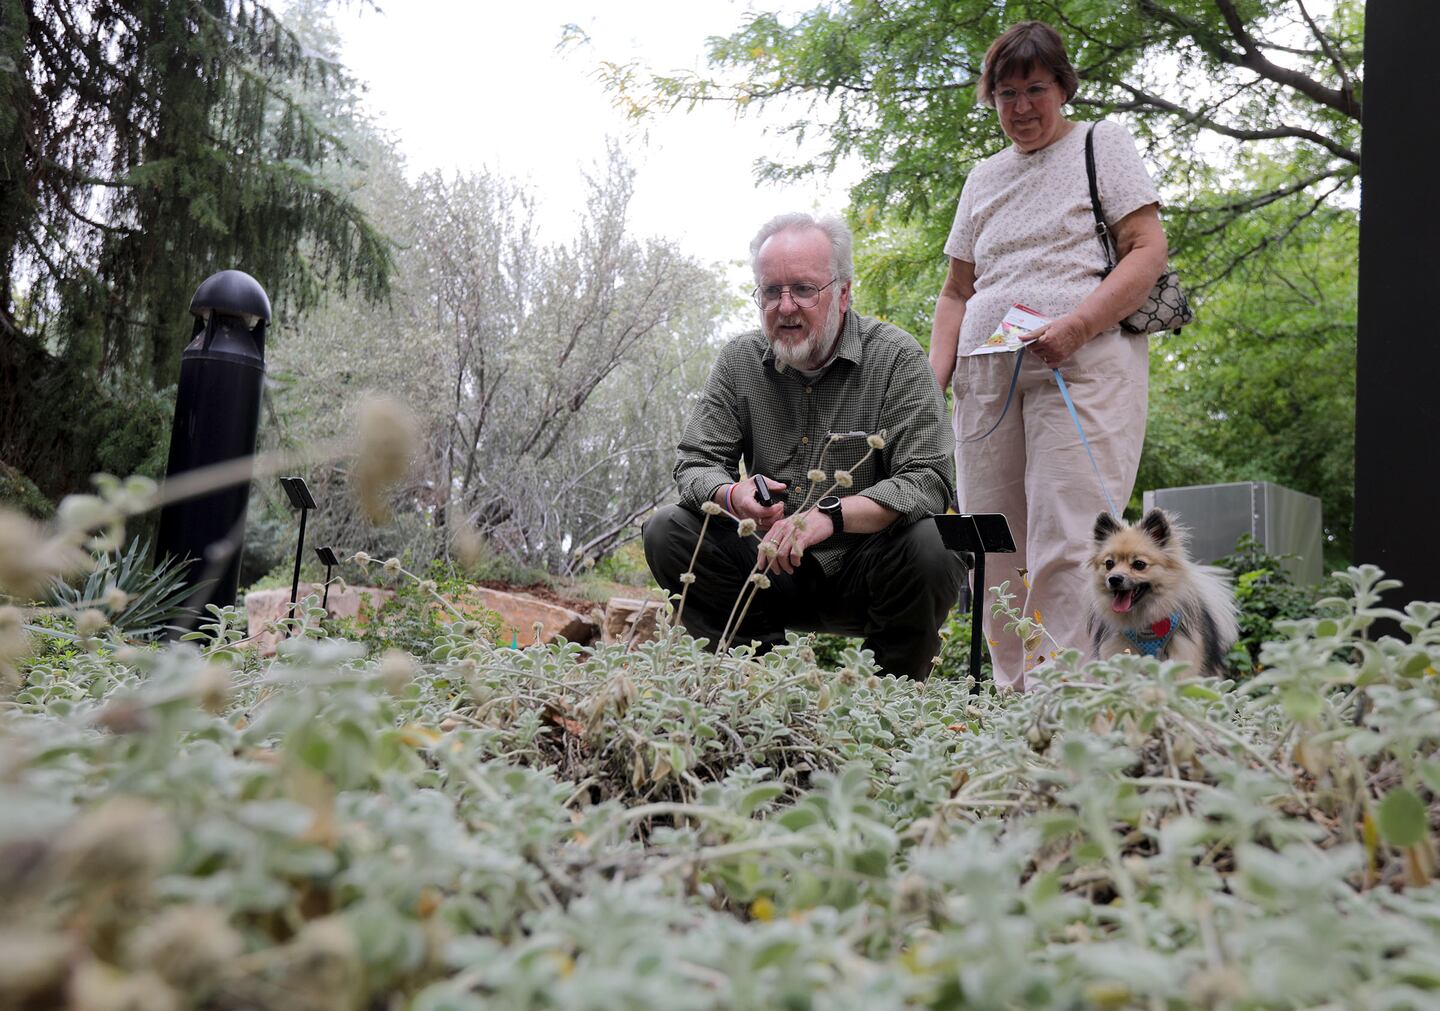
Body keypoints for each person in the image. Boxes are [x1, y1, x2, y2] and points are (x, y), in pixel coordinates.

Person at [929, 21, 1170, 691]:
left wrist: (1079, 323)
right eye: (1006, 93)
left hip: (1079, 362)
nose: (1022, 107)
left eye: (1035, 88)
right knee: (992, 543)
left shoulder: (1103, 144)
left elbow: (1147, 249)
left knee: (1068, 537)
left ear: (1062, 85)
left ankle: (1064, 703)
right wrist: (935, 377)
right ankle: (1011, 697)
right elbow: (955, 291)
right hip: (983, 381)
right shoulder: (982, 178)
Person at [643, 212, 963, 679]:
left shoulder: (897, 358)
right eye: (772, 291)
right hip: (767, 569)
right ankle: (756, 685)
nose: (786, 306)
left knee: (935, 542)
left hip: (870, 570)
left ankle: (890, 701)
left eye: (804, 289)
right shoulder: (739, 361)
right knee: (668, 529)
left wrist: (829, 516)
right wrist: (731, 496)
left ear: (843, 292)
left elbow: (929, 480)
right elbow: (695, 463)